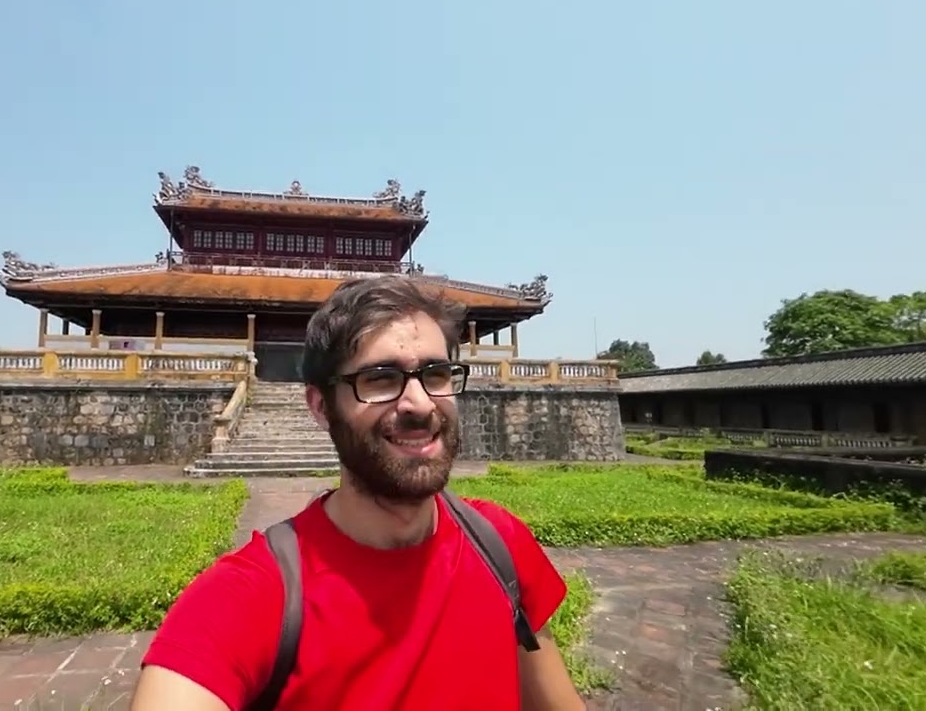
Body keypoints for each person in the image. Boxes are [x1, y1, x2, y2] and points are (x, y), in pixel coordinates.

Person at [130, 276, 586, 710]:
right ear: (320, 406)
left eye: (437, 373)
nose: (420, 404)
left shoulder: (499, 544)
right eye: (380, 379)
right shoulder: (250, 598)